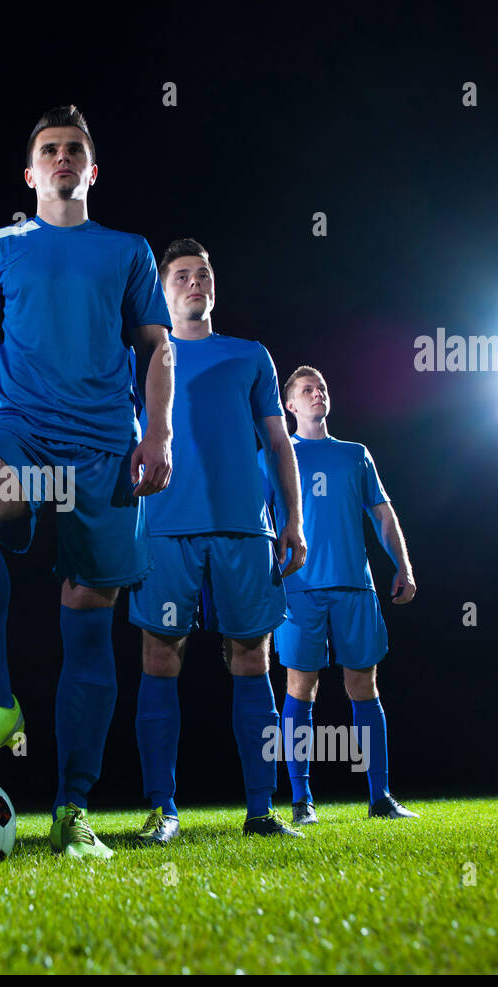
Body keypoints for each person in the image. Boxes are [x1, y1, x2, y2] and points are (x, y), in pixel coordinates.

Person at [0, 105, 175, 858]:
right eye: (49, 150)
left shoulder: (129, 250)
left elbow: (159, 348)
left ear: (92, 170)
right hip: (23, 434)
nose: (62, 158)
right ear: (30, 171)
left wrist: (159, 432)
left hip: (104, 448)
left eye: (74, 149)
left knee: (88, 617)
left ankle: (72, 809)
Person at [129, 239, 307, 845]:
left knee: (252, 660)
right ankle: (163, 808)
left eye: (203, 273)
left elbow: (280, 445)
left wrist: (294, 521)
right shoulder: (146, 356)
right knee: (160, 658)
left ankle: (260, 809)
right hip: (165, 525)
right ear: (162, 289)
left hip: (243, 527)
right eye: (180, 275)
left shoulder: (251, 355)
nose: (195, 282)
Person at [263, 366, 419, 822]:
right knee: (300, 688)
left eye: (322, 388)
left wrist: (404, 567)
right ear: (290, 405)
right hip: (299, 589)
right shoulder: (275, 454)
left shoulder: (356, 455)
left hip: (355, 585)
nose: (317, 394)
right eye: (307, 390)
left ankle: (380, 798)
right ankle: (301, 802)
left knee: (363, 686)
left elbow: (384, 516)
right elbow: (258, 518)